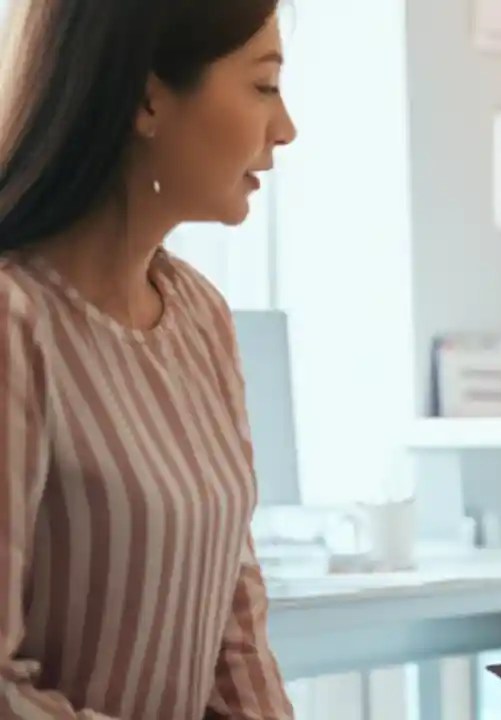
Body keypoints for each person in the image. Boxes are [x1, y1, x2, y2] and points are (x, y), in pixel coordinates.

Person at [0, 0, 297, 717]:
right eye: (263, 86)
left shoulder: (199, 316)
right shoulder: (16, 325)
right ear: (146, 95)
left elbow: (236, 626)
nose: (284, 129)